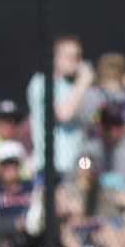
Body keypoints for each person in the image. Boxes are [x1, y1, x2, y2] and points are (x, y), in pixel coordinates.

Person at [25, 34, 96, 173]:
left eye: (78, 57)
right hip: (51, 165)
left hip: (77, 166)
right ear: (56, 58)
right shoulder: (41, 82)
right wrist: (83, 82)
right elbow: (64, 114)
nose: (76, 62)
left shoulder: (73, 86)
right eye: (70, 57)